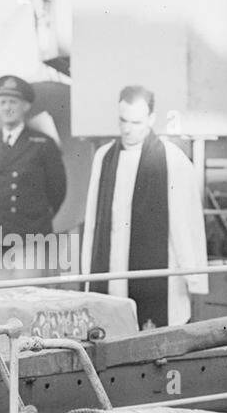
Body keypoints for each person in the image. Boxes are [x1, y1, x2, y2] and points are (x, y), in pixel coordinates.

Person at [80, 85, 208, 328]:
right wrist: (88, 276)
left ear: (151, 119)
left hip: (159, 276)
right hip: (112, 271)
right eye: (122, 120)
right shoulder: (104, 157)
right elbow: (92, 225)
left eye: (136, 122)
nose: (127, 129)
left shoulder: (172, 159)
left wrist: (194, 278)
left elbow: (187, 225)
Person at [0, 75, 67, 278]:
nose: (7, 108)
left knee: (27, 296)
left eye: (13, 102)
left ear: (25, 106)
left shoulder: (43, 144)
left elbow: (57, 191)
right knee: (2, 298)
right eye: (3, 102)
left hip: (30, 236)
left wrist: (38, 219)